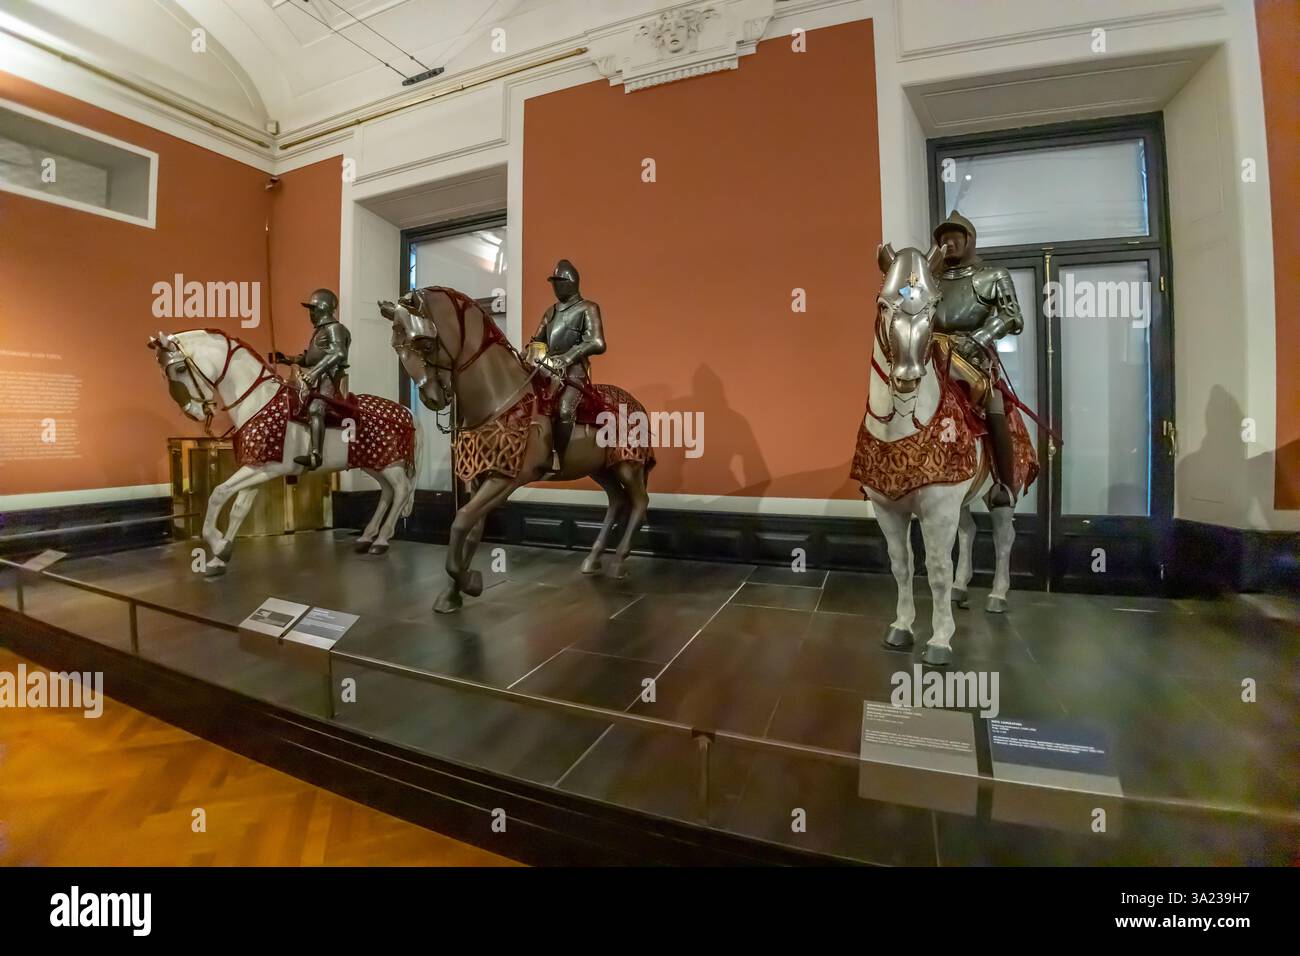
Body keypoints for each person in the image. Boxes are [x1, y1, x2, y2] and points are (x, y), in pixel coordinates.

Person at [931, 210, 1023, 507]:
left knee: (992, 400)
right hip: (932, 354)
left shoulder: (992, 276)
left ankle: (1003, 483)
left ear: (968, 240)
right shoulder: (931, 279)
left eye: (954, 238)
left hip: (972, 358)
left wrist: (979, 338)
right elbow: (907, 302)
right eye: (944, 239)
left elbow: (1012, 316)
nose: (949, 244)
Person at [527, 259, 605, 470]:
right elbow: (538, 341)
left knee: (564, 409)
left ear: (571, 282)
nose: (556, 285)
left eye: (559, 281)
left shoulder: (587, 308)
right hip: (547, 370)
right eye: (554, 281)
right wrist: (529, 354)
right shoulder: (550, 312)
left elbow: (597, 341)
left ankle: (557, 457)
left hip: (574, 372)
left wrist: (570, 356)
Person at [273, 288, 351, 471]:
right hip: (317, 378)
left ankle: (316, 455)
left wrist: (315, 372)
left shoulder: (335, 329)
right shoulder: (321, 331)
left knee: (316, 409)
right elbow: (309, 358)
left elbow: (339, 353)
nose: (311, 313)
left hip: (329, 378)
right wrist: (288, 359)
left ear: (323, 309)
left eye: (313, 309)